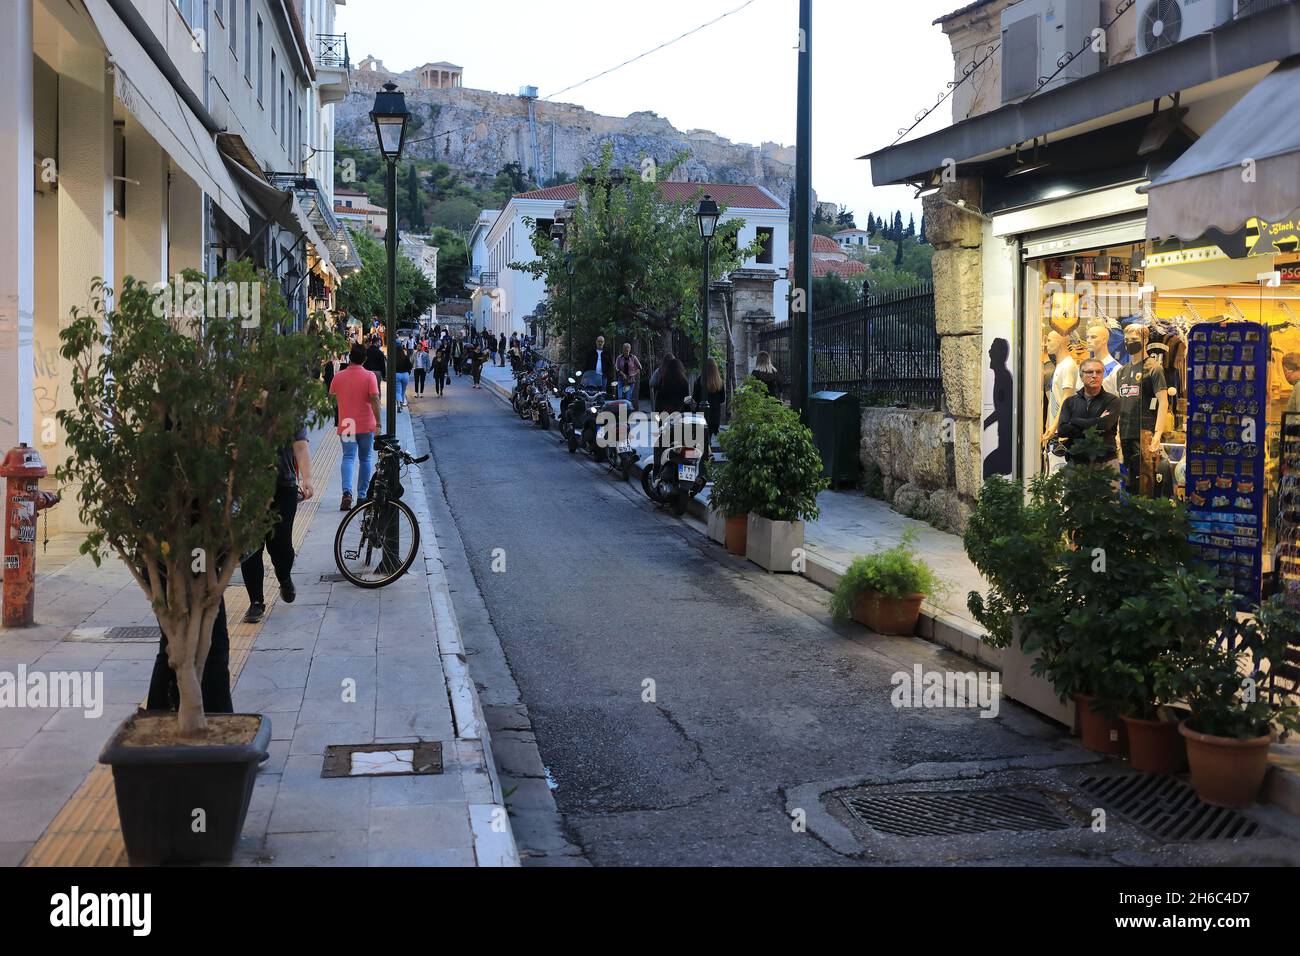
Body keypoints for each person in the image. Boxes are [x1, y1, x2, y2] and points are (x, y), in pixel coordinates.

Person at [241, 423, 313, 623]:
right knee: (250, 547)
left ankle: (284, 577)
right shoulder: (237, 405)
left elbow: (300, 446)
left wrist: (307, 478)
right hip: (247, 490)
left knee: (281, 545)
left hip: (283, 487)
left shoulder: (288, 407)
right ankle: (256, 602)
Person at [1115, 324, 1168, 497]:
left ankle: (1146, 516)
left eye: (1135, 340)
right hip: (1125, 432)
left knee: (1145, 479)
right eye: (1127, 340)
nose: (1130, 343)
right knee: (1129, 479)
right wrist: (1117, 432)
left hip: (1145, 431)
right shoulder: (1122, 371)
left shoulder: (1154, 368)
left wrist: (1158, 433)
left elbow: (1163, 402)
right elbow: (1120, 403)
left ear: (1145, 341)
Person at [330, 342, 382, 511]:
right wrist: (379, 422)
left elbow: (331, 395)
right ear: (364, 359)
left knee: (348, 457)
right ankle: (362, 496)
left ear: (350, 357)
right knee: (365, 459)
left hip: (347, 424)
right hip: (366, 423)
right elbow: (374, 398)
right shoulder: (369, 376)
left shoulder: (339, 376)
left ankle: (346, 493)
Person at [1056, 358, 1120, 472]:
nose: (1094, 375)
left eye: (1099, 372)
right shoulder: (1070, 402)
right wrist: (1096, 424)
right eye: (1090, 372)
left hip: (1105, 463)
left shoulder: (1112, 401)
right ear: (1081, 375)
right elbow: (1062, 430)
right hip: (1076, 463)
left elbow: (1105, 424)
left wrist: (1075, 421)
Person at [1042, 330, 1080, 476]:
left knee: (1060, 474)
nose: (1046, 344)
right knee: (1052, 473)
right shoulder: (1059, 366)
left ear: (1061, 341)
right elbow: (1053, 398)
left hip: (1062, 431)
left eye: (1050, 340)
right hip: (1055, 430)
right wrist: (1048, 426)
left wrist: (1054, 426)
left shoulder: (1068, 366)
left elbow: (1067, 398)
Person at [691, 357, 725, 442]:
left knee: (703, 439)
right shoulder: (720, 382)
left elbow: (695, 398)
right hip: (714, 416)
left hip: (701, 415)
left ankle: (705, 453)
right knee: (709, 437)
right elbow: (722, 399)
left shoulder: (699, 382)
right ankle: (708, 452)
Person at [615, 343, 643, 409]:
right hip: (621, 380)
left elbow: (640, 367)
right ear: (623, 350)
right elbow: (616, 367)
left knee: (628, 398)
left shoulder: (633, 358)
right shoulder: (619, 358)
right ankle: (621, 414)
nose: (626, 352)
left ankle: (627, 414)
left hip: (630, 381)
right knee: (620, 397)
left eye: (627, 350)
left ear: (630, 349)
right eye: (625, 350)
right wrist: (623, 374)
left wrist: (633, 373)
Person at [394, 343, 413, 410]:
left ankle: (398, 403)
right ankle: (401, 403)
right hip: (405, 374)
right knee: (403, 390)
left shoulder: (394, 358)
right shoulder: (405, 357)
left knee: (397, 391)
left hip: (397, 374)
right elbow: (410, 366)